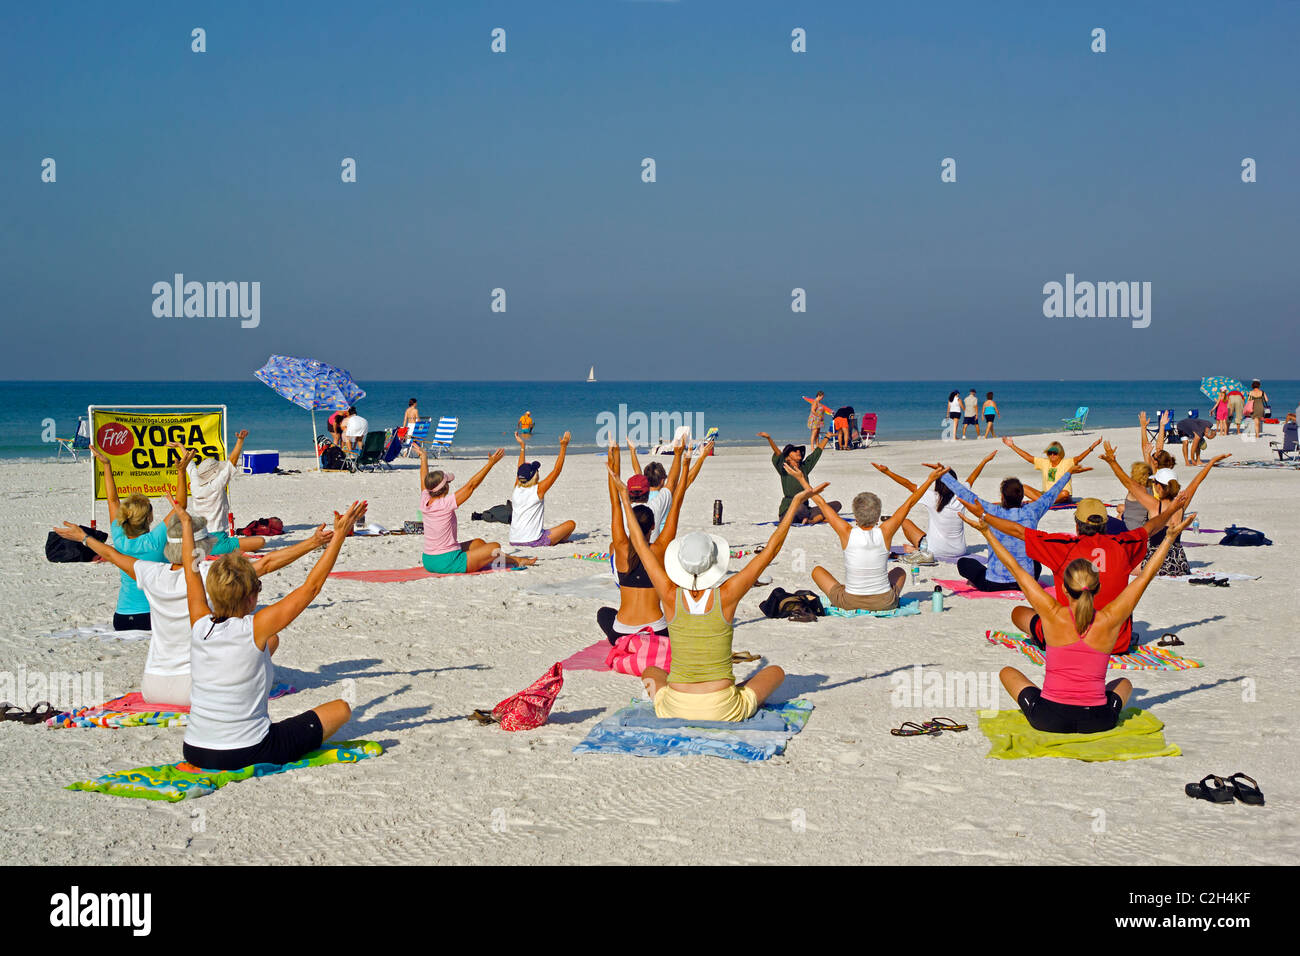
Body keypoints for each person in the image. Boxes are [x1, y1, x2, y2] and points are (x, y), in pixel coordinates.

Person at [52, 509, 336, 706]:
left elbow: (112, 554)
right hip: (195, 689)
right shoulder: (212, 577)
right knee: (269, 639)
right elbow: (267, 563)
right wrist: (312, 542)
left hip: (152, 685)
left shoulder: (152, 574)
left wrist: (84, 538)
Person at [608, 468, 818, 722]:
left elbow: (640, 547)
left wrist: (623, 497)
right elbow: (770, 551)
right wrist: (796, 501)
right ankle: (738, 692)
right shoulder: (727, 594)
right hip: (723, 708)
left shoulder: (670, 593)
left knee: (651, 671)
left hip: (674, 706)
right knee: (776, 672)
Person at [175, 498, 365, 771]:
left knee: (268, 647)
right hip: (248, 751)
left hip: (194, 750)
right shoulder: (256, 627)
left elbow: (191, 573)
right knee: (341, 709)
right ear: (252, 598)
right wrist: (339, 537)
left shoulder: (200, 624)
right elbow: (311, 587)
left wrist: (185, 524)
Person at [967, 510, 1195, 734]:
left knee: (1008, 672)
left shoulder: (1052, 613)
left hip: (1048, 718)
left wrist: (988, 533)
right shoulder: (1110, 619)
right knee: (1124, 683)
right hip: (1098, 720)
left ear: (1064, 588)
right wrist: (1169, 538)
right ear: (1097, 587)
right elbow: (1145, 577)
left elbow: (1017, 570)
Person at [971, 485, 1188, 656]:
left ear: (1077, 525)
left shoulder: (1062, 546)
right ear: (1105, 525)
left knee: (1019, 613)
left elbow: (1019, 531)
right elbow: (1151, 528)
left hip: (1065, 638)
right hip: (1115, 643)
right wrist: (1170, 510)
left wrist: (984, 516)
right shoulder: (1123, 545)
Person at [791, 463, 948, 611]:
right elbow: (909, 503)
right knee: (900, 571)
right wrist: (930, 479)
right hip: (885, 602)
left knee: (817, 571)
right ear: (878, 515)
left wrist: (801, 479)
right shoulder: (885, 531)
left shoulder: (846, 531)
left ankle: (854, 591)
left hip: (849, 602)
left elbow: (822, 503)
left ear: (856, 517)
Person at [597, 442, 700, 644]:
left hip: (621, 633)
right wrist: (682, 459)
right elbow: (677, 499)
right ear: (653, 527)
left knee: (603, 613)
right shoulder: (660, 549)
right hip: (657, 631)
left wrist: (614, 462)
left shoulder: (620, 546)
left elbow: (614, 504)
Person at [1096, 442, 1227, 579]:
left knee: (1121, 564)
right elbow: (1196, 482)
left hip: (1156, 561)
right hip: (1179, 562)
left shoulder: (1154, 505)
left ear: (1158, 487)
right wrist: (1211, 462)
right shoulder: (1181, 504)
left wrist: (1112, 462)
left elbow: (1128, 483)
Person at [940, 467, 1078, 591]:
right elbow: (1051, 494)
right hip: (1025, 582)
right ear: (1022, 496)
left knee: (963, 563)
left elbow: (966, 494)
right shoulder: (1032, 511)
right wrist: (1068, 473)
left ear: (1002, 496)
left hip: (993, 583)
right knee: (1036, 563)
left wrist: (944, 476)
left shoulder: (991, 512)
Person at [417, 444, 536, 573]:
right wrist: (490, 464)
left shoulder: (425, 499)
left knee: (479, 543)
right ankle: (516, 560)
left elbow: (424, 479)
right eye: (448, 483)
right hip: (447, 561)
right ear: (445, 487)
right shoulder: (446, 503)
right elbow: (471, 486)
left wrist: (423, 458)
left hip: (428, 560)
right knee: (494, 547)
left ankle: (514, 559)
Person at [871, 450, 998, 564]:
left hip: (935, 550)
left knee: (905, 522)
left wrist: (887, 472)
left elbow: (907, 484)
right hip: (960, 551)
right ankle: (917, 548)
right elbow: (972, 477)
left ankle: (917, 549)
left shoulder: (932, 497)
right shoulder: (962, 495)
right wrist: (984, 461)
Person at [90, 445, 168, 630]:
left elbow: (112, 501)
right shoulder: (156, 540)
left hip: (122, 618)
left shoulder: (119, 538)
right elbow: (181, 503)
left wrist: (106, 466)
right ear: (149, 517)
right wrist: (181, 472)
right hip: (151, 616)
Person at [170, 434, 264, 553]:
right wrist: (240, 441)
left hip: (198, 537)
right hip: (217, 539)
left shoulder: (195, 483)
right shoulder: (216, 485)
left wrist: (180, 446)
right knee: (260, 542)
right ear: (215, 473)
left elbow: (189, 464)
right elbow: (232, 462)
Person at [508, 431, 576, 547]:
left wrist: (522, 447)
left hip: (514, 540)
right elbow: (557, 470)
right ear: (534, 475)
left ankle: (559, 540)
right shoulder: (538, 489)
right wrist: (563, 447)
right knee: (571, 524)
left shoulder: (517, 488)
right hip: (534, 541)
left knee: (559, 530)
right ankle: (559, 540)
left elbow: (520, 468)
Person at [757, 432, 840, 524]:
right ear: (787, 457)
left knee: (836, 505)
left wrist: (827, 437)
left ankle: (811, 520)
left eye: (799, 451)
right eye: (795, 451)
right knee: (800, 508)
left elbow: (817, 453)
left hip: (805, 509)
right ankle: (816, 518)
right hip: (789, 510)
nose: (798, 452)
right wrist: (769, 438)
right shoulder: (784, 468)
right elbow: (778, 453)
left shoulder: (804, 467)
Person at [1002, 436, 1100, 503]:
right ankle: (1043, 502)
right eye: (1050, 453)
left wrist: (1092, 447)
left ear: (1060, 453)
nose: (1052, 455)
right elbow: (1029, 458)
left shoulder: (1067, 462)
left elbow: (1079, 458)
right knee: (1022, 487)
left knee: (1065, 493)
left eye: (1055, 452)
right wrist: (1012, 446)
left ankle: (1040, 502)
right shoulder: (1044, 462)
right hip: (1045, 495)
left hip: (1060, 496)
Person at [627, 439, 688, 541]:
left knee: (612, 546)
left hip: (634, 546)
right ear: (662, 480)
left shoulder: (628, 507)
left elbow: (637, 472)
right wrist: (680, 456)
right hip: (659, 544)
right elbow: (673, 483)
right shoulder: (658, 503)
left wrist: (632, 451)